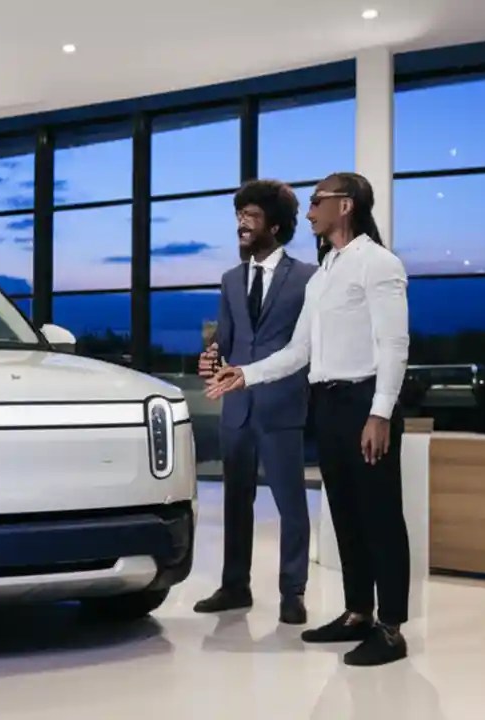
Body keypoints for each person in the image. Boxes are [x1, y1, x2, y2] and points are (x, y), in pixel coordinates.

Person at [205, 171, 411, 667]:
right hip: (329, 406)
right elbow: (299, 351)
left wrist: (380, 412)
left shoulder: (379, 264)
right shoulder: (324, 275)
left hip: (366, 404)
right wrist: (245, 375)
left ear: (346, 206)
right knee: (345, 515)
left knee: (380, 518)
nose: (311, 209)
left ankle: (391, 628)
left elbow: (395, 344)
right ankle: (357, 613)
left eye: (319, 200)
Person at [192, 179, 316, 626]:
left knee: (290, 504)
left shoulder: (308, 278)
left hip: (282, 405)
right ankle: (234, 586)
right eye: (239, 216)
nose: (242, 224)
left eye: (252, 216)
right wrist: (209, 358)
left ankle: (292, 591)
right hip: (236, 410)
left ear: (276, 226)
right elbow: (225, 342)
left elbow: (307, 345)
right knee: (235, 501)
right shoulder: (229, 280)